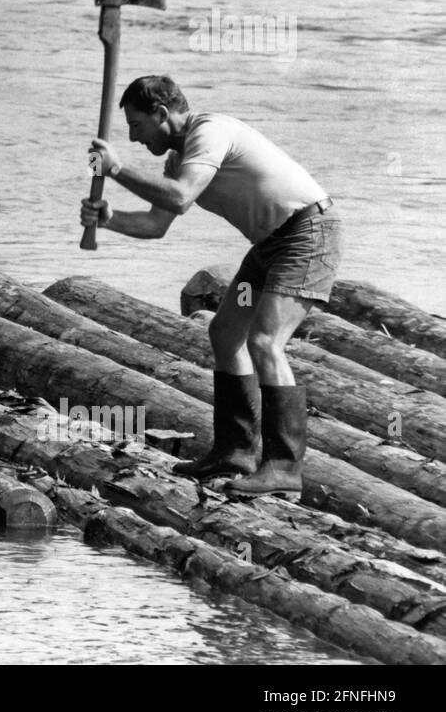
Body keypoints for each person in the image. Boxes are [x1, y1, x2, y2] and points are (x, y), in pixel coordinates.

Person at [79, 75, 342, 499]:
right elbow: (156, 224)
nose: (131, 136)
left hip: (307, 234)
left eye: (136, 125)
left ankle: (283, 468)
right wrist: (110, 220)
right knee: (224, 332)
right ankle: (235, 452)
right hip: (269, 245)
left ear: (162, 114)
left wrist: (117, 169)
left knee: (265, 342)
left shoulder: (210, 131)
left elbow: (181, 197)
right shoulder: (176, 158)